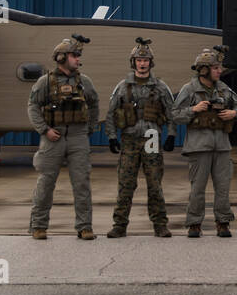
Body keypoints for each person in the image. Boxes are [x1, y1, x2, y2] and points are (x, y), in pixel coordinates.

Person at [104, 37, 177, 238]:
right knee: (126, 184)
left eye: (145, 60)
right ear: (133, 62)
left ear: (150, 62)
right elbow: (111, 113)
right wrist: (111, 137)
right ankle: (119, 225)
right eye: (138, 60)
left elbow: (172, 112)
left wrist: (171, 135)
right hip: (130, 139)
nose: (142, 63)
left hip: (152, 138)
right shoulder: (123, 86)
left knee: (155, 184)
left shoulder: (160, 86)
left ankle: (160, 224)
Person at [27, 35, 99, 240]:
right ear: (61, 57)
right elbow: (32, 106)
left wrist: (89, 129)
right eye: (74, 55)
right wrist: (44, 129)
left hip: (78, 136)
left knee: (82, 182)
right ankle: (38, 226)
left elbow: (94, 104)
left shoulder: (84, 82)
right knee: (46, 182)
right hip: (53, 136)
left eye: (78, 55)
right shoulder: (45, 82)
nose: (78, 59)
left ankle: (85, 226)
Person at [171, 45, 237, 238]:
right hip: (198, 147)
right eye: (215, 68)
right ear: (204, 69)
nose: (219, 71)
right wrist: (193, 110)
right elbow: (175, 115)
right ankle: (194, 223)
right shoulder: (189, 90)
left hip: (221, 147)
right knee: (197, 188)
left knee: (223, 187)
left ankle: (223, 222)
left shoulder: (223, 89)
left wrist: (234, 113)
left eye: (219, 67)